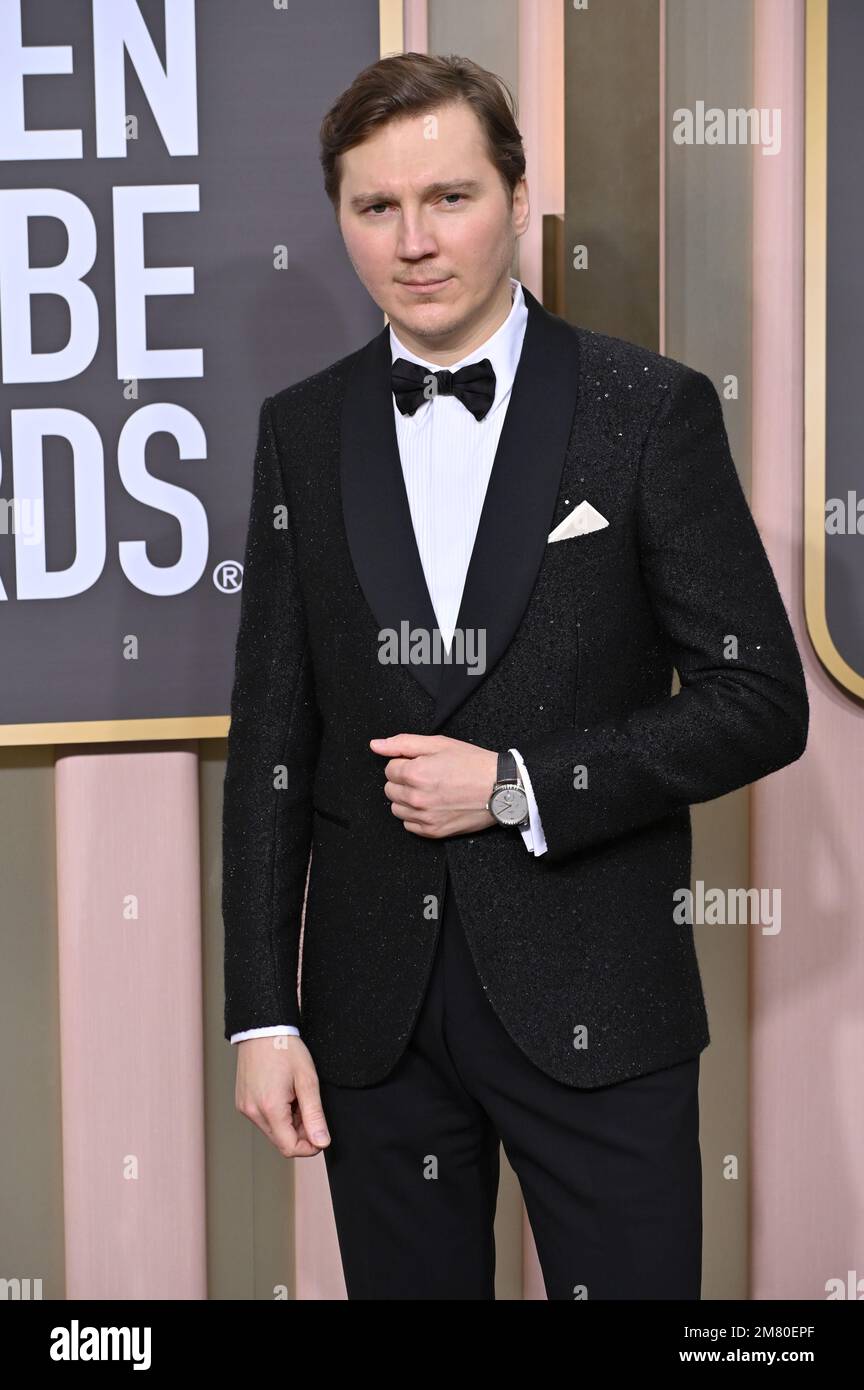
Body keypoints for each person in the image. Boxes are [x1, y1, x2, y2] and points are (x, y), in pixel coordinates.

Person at [222, 52, 809, 1299]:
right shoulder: (301, 431)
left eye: (450, 197)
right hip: (373, 1018)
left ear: (516, 193)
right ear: (339, 216)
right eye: (376, 207)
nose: (414, 240)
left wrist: (523, 783)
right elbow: (273, 736)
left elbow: (759, 699)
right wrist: (263, 1013)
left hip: (600, 995)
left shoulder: (646, 410)